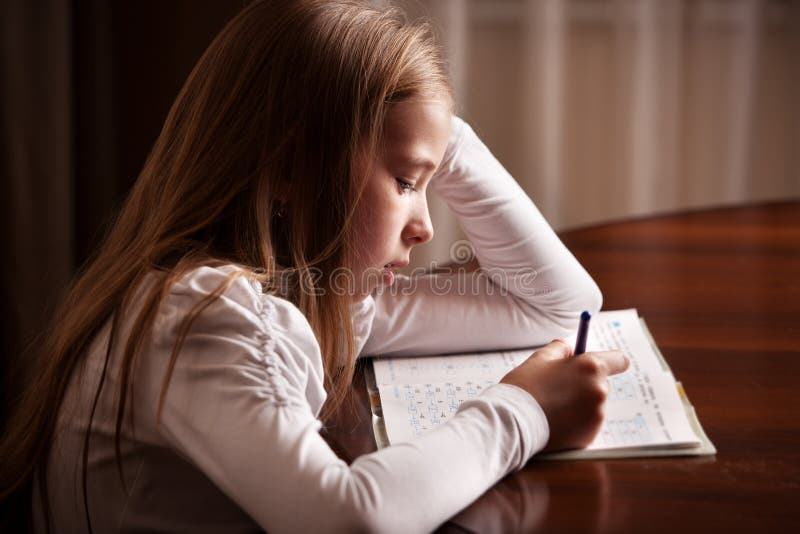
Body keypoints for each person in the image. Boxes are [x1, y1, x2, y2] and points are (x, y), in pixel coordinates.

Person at [0, 0, 629, 532]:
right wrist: (526, 411)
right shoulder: (201, 319)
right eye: (407, 182)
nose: (427, 225)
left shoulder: (315, 292)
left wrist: (441, 138)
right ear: (292, 169)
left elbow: (558, 306)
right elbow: (348, 520)